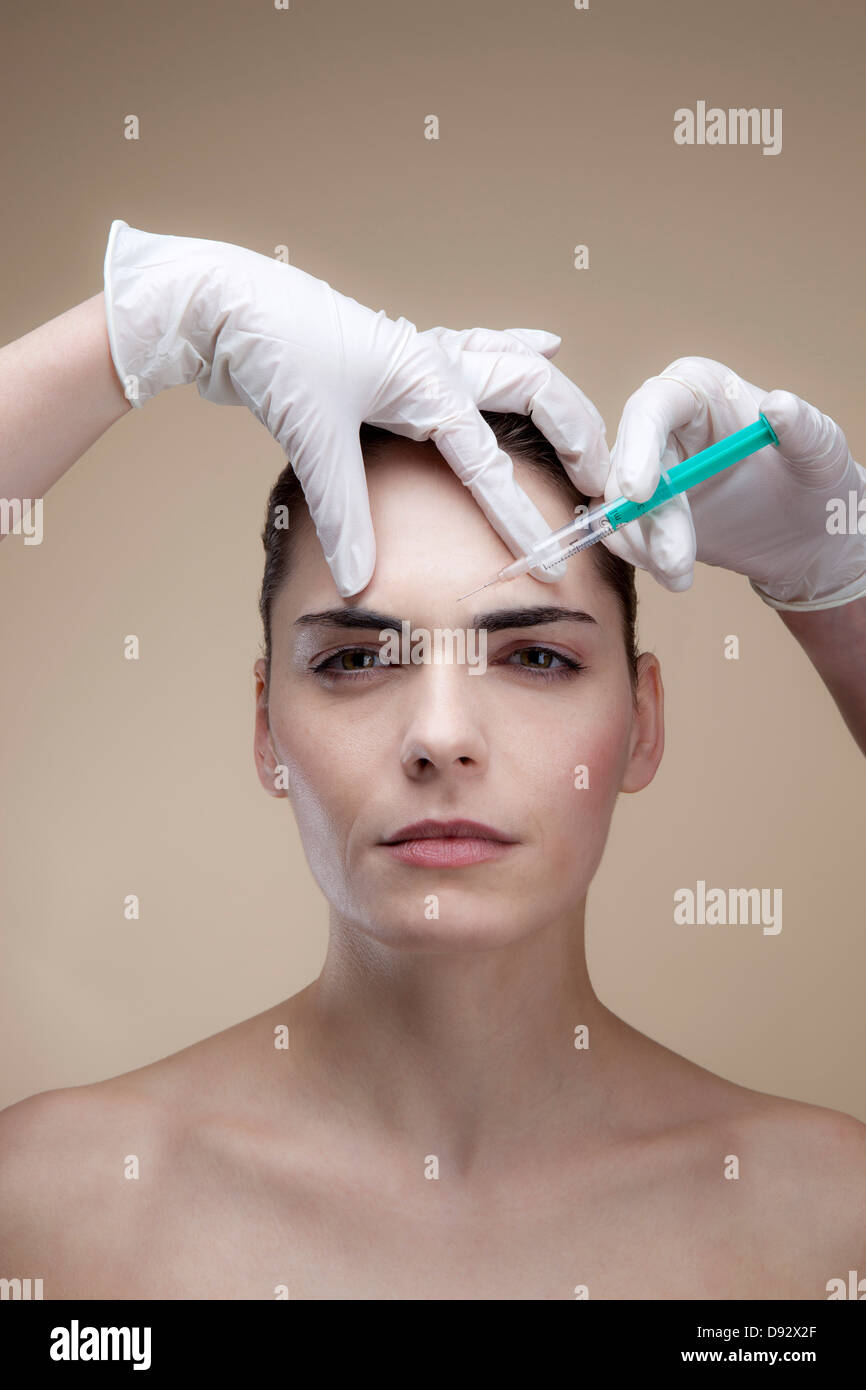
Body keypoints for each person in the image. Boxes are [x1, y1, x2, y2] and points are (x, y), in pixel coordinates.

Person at [0, 222, 863, 1300]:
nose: (438, 733)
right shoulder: (58, 1209)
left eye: (535, 654)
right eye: (359, 656)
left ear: (639, 724)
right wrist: (138, 327)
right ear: (267, 728)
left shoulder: (823, 1227)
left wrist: (839, 585)